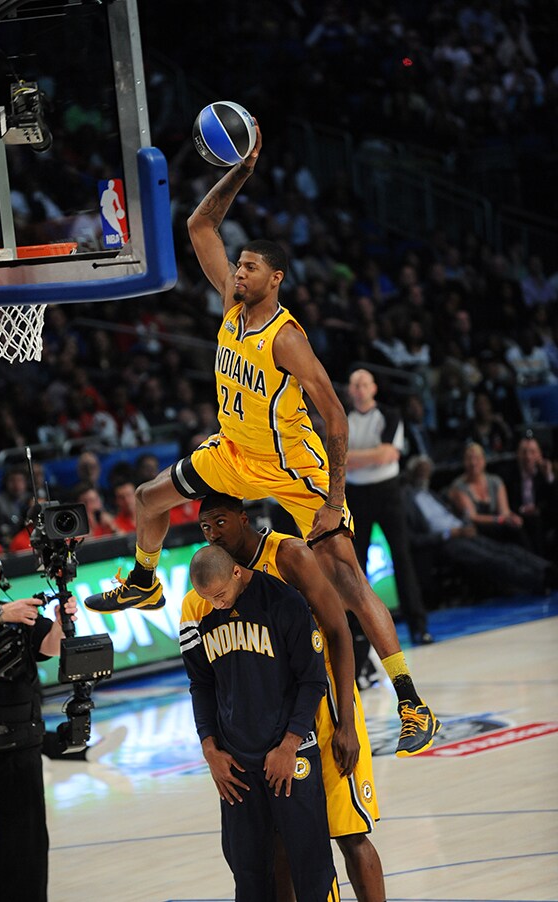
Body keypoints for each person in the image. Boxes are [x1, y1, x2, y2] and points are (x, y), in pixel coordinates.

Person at [85, 124, 439, 757]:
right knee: (148, 498)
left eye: (250, 267)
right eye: (239, 264)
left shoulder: (285, 337)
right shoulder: (228, 305)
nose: (238, 271)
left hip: (292, 468)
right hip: (234, 453)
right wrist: (242, 169)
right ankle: (146, 580)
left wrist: (331, 499)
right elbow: (199, 227)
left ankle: (413, 702)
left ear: (275, 279)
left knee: (350, 581)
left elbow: (333, 417)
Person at [194, 493, 386, 901]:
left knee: (349, 831)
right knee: (284, 838)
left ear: (242, 518)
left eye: (220, 523)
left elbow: (338, 631)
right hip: (277, 712)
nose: (213, 533)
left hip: (325, 697)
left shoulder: (289, 554)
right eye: (206, 527)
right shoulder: (219, 580)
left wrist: (346, 722)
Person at [180, 544, 340, 902]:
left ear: (236, 572)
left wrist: (289, 745)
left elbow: (313, 681)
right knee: (248, 873)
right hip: (235, 765)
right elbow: (201, 686)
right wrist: (210, 750)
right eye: (208, 598)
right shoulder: (198, 610)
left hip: (290, 754)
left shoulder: (284, 602)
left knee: (312, 868)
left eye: (220, 595)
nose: (217, 604)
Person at [0, 535, 78, 902]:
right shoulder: (1, 612)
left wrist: (60, 622)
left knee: (25, 850)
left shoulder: (21, 612)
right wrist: (0, 614)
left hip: (18, 752)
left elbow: (50, 647)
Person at [345, 369, 433, 645]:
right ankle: (360, 632)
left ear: (373, 388)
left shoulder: (389, 415)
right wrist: (371, 456)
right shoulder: (343, 418)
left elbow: (388, 455)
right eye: (354, 384)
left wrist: (355, 458)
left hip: (387, 491)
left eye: (364, 384)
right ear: (350, 390)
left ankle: (418, 625)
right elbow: (338, 457)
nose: (359, 389)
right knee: (356, 565)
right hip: (355, 494)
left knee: (401, 556)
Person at [402, 456, 558, 599]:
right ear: (411, 473)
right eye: (421, 470)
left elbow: (453, 514)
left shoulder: (430, 493)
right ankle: (540, 580)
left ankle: (548, 568)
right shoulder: (404, 500)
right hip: (446, 541)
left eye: (427, 470)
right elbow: (414, 539)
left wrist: (465, 525)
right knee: (492, 559)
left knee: (505, 549)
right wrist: (450, 533)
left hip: (463, 530)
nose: (425, 474)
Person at [448, 442, 529, 547]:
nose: (473, 463)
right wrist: (499, 520)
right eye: (469, 459)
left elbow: (504, 511)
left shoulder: (495, 481)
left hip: (498, 525)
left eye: (477, 458)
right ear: (464, 462)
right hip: (476, 529)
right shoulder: (458, 486)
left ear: (484, 460)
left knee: (518, 526)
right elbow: (472, 517)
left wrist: (511, 518)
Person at [504, 434, 558, 558]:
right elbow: (507, 502)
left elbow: (554, 502)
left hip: (542, 518)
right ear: (517, 454)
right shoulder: (509, 475)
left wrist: (549, 477)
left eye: (532, 452)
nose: (528, 457)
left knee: (537, 522)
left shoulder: (545, 475)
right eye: (524, 452)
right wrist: (520, 511)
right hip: (519, 517)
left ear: (539, 455)